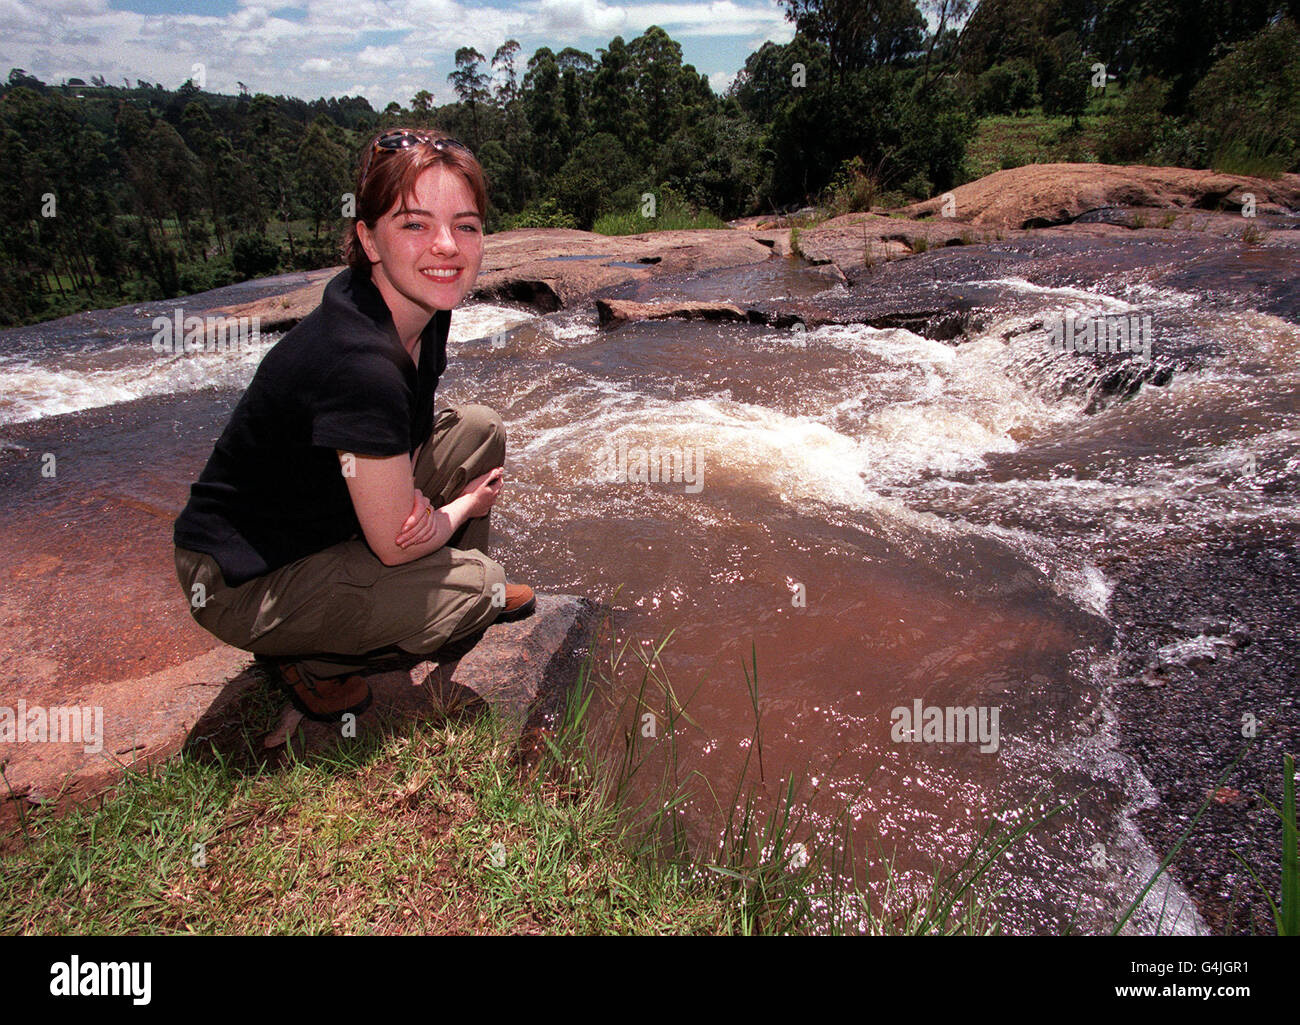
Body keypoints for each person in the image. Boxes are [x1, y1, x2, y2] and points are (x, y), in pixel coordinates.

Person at [173, 128, 533, 723]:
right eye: (414, 224)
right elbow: (393, 544)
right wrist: (460, 509)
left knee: (479, 429)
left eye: (465, 225)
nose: (446, 245)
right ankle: (313, 659)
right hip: (244, 575)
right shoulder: (357, 361)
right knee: (479, 586)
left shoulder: (420, 304)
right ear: (369, 238)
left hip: (318, 513)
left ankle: (442, 591)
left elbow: (412, 426)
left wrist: (414, 507)